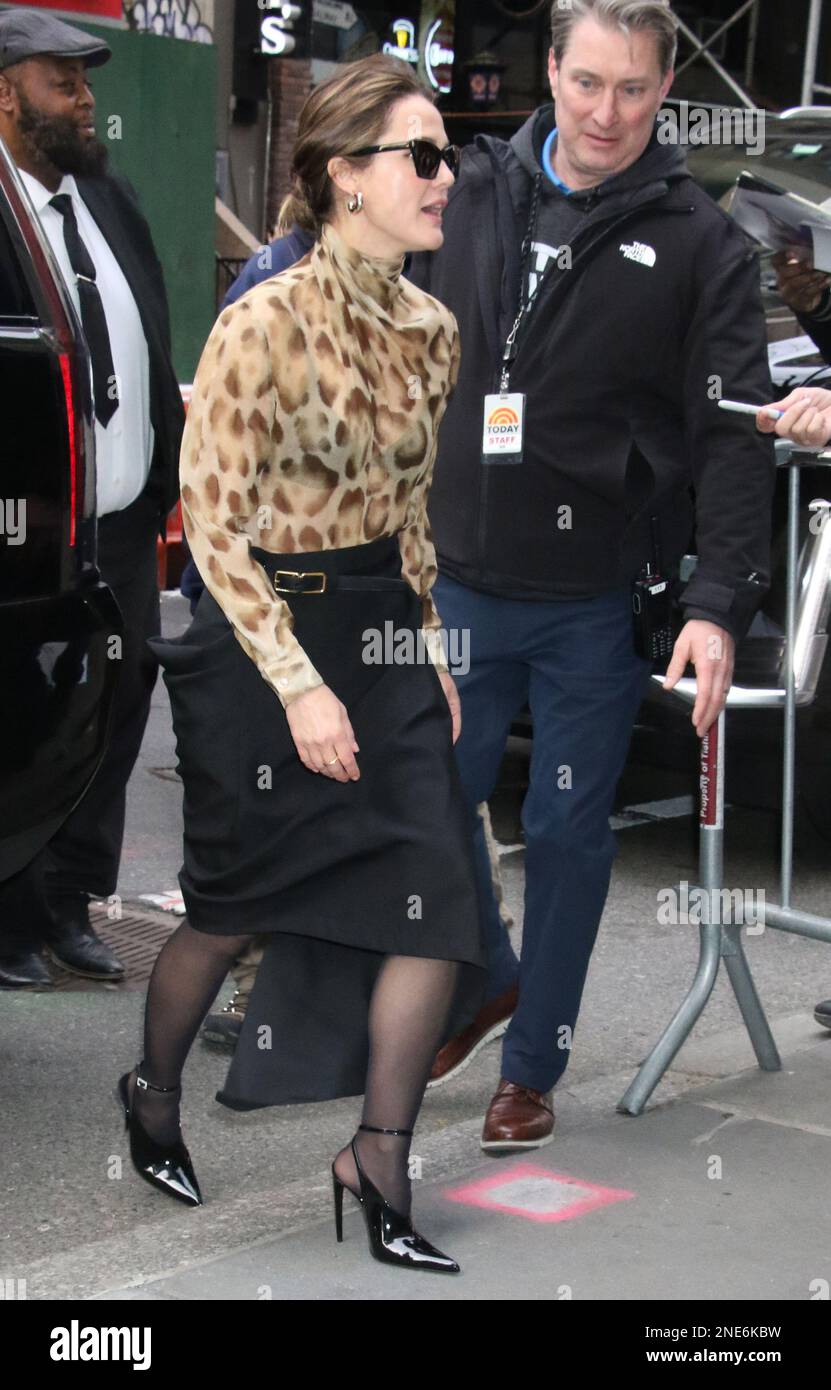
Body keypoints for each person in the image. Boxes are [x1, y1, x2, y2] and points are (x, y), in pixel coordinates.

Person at [118, 55, 487, 1275]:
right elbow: (210, 524)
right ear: (344, 179)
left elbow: (411, 512)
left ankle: (378, 1159)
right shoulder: (259, 322)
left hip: (378, 635)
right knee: (230, 912)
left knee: (438, 904)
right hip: (259, 635)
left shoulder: (432, 329)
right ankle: (153, 1093)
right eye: (421, 156)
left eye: (449, 155)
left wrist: (423, 648)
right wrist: (298, 680)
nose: (446, 177)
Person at [407, 0, 777, 1150]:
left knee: (570, 832)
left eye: (633, 89)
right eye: (587, 83)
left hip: (590, 602)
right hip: (456, 581)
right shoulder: (467, 192)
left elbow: (732, 437)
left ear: (665, 92)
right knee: (422, 804)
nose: (606, 113)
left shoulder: (703, 245)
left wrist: (717, 606)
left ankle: (531, 1064)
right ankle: (486, 975)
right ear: (551, 73)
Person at [0, 11, 183, 987]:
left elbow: (149, 339)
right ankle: (9, 919)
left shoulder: (108, 199)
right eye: (62, 81)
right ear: (5, 94)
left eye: (84, 81)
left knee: (108, 716)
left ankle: (71, 903)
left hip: (119, 525)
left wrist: (162, 489)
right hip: (28, 532)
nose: (85, 98)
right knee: (26, 723)